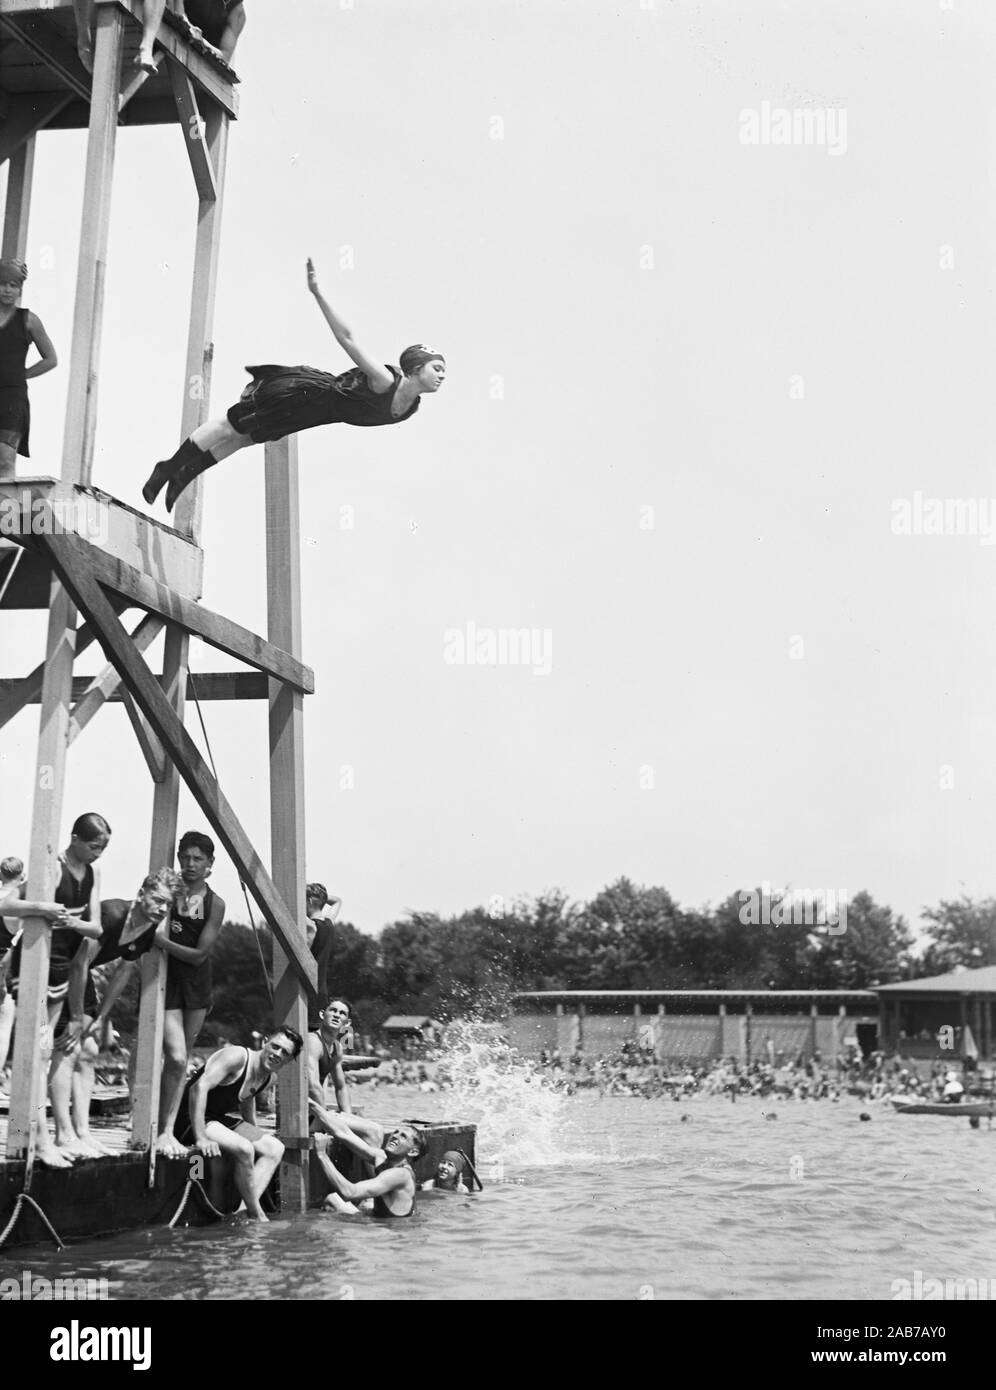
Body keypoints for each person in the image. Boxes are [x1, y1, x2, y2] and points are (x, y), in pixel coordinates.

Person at [142, 258, 446, 511]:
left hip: (316, 415)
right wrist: (317, 293)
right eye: (437, 368)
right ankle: (167, 468)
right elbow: (347, 339)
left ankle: (184, 476)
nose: (442, 376)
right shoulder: (384, 380)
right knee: (231, 424)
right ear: (416, 368)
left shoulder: (410, 407)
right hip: (305, 394)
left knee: (246, 439)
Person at [4, 814, 111, 1165]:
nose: (98, 853)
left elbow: (95, 928)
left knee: (46, 1053)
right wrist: (43, 908)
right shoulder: (53, 867)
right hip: (34, 962)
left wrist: (72, 921)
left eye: (104, 848)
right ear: (76, 839)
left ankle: (48, 1136)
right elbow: (5, 903)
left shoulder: (93, 874)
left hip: (63, 963)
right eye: (94, 846)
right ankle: (39, 1140)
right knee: (36, 1054)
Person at [174, 1028, 303, 1221]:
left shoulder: (269, 1077)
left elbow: (246, 1097)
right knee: (245, 1149)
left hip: (215, 1117)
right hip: (186, 1118)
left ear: (290, 1059)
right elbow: (197, 1088)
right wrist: (200, 1137)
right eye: (275, 1047)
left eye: (285, 1053)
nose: (277, 1054)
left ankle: (243, 1211)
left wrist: (253, 1130)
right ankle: (256, 1214)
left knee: (274, 1148)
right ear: (265, 1042)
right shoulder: (237, 1057)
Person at [154, 831, 225, 1157]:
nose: (191, 864)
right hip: (166, 981)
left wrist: (163, 943)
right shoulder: (169, 891)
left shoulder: (216, 903)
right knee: (178, 1057)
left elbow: (199, 954)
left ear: (210, 864)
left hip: (197, 984)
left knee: (180, 1063)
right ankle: (158, 1128)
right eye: (186, 857)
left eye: (198, 859)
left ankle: (167, 1131)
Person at [0, 259, 57, 480]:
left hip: (13, 399)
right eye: (3, 283)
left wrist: (22, 374)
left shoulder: (29, 321)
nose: (7, 290)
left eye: (13, 285)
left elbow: (51, 359)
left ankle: (5, 512)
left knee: (5, 458)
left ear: (20, 289)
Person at [312, 1121, 424, 1218]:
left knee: (332, 1200)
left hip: (391, 1235)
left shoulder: (401, 1174)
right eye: (396, 1132)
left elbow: (349, 1192)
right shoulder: (383, 1158)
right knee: (366, 1203)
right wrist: (314, 1106)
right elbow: (345, 1134)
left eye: (403, 1136)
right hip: (386, 1224)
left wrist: (322, 1154)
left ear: (413, 1152)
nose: (395, 1136)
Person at [306, 998, 352, 1114]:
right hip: (302, 1113)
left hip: (316, 1111)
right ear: (322, 1014)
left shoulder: (337, 1048)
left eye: (342, 1013)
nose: (337, 1015)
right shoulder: (313, 1041)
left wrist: (348, 1116)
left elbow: (341, 1087)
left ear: (347, 1022)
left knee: (370, 1128)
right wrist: (327, 1118)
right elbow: (312, 1085)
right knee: (372, 1130)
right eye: (333, 1010)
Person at [305, 882, 340, 1030]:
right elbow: (338, 901)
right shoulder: (329, 923)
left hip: (308, 992)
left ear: (310, 901)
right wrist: (323, 898)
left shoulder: (310, 925)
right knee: (317, 1036)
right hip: (322, 991)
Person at [182, 0, 247, 64]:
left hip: (199, 59)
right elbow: (178, 12)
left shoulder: (238, 13)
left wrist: (201, 41)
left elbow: (225, 56)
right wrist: (187, 25)